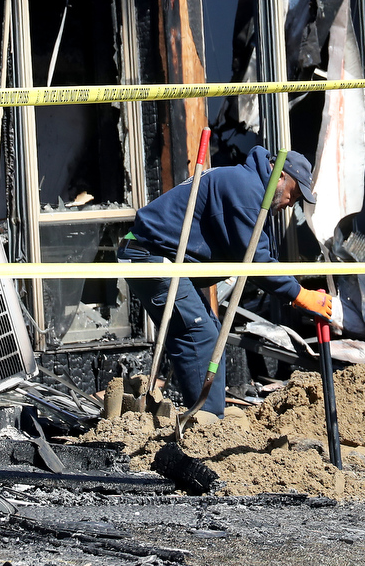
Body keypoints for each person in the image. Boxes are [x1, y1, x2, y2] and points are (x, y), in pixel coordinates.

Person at [117, 145, 340, 417]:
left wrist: (292, 289)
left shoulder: (250, 188)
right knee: (201, 335)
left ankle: (205, 414)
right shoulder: (244, 190)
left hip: (162, 258)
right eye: (294, 194)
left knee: (207, 329)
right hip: (149, 256)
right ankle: (206, 424)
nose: (292, 204)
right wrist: (300, 294)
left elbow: (264, 256)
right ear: (280, 176)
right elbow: (256, 262)